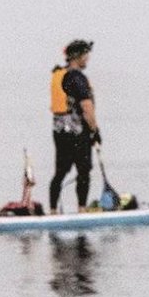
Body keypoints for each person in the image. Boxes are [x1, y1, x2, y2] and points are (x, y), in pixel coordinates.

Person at [48, 39, 100, 214]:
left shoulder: (59, 74)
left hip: (60, 131)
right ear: (77, 57)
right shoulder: (78, 78)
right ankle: (82, 209)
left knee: (60, 171)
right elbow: (86, 107)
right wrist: (95, 130)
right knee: (83, 171)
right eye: (86, 55)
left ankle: (53, 210)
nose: (87, 59)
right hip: (78, 133)